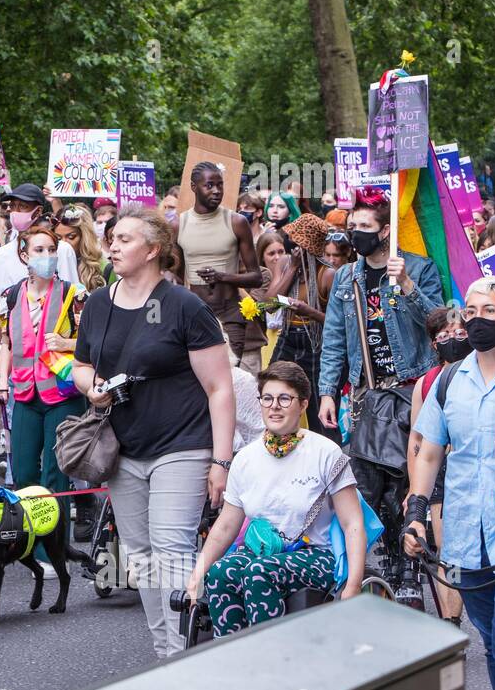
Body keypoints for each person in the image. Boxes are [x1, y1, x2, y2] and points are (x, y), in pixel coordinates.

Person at [72, 204, 235, 657]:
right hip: (123, 448)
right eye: (112, 238)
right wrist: (93, 388)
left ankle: (182, 652)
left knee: (171, 548)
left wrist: (221, 461)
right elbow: (81, 367)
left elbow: (220, 387)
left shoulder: (185, 306)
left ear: (154, 250)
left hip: (182, 445)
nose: (113, 245)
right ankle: (166, 650)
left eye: (125, 239)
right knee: (140, 556)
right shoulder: (99, 303)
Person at [186, 361, 367, 635]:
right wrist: (198, 574)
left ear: (303, 404)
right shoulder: (246, 458)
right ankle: (233, 656)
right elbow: (225, 525)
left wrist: (353, 584)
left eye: (285, 398)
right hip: (263, 550)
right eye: (267, 398)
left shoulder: (325, 453)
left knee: (260, 572)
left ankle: (272, 657)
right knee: (221, 572)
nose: (274, 406)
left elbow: (353, 523)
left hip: (316, 553)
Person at [405, 276, 495, 690]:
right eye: (471, 311)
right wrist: (418, 510)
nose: (477, 321)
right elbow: (428, 451)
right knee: (493, 642)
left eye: (490, 311)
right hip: (468, 538)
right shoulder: (450, 379)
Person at [318, 196, 442, 530]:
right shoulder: (345, 277)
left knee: (407, 473)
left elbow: (438, 323)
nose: (356, 234)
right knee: (366, 476)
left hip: (409, 389)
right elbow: (333, 339)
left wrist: (406, 286)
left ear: (386, 230)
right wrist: (327, 392)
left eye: (365, 227)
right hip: (365, 392)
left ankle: (410, 549)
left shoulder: (418, 268)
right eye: (352, 227)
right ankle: (380, 557)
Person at [0, 226, 84, 497]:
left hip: (62, 391)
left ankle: (56, 540)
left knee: (55, 476)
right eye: (39, 250)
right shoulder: (10, 296)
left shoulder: (74, 294)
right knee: (23, 475)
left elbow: (94, 344)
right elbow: (5, 342)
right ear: (24, 255)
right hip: (24, 393)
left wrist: (67, 344)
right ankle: (31, 539)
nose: (47, 255)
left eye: (52, 250)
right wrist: (1, 382)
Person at [406, 306, 469, 626]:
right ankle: (451, 618)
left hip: (472, 468)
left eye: (460, 334)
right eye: (444, 336)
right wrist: (414, 490)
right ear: (433, 343)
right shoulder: (428, 384)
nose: (453, 341)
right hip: (439, 473)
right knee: (447, 549)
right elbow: (417, 441)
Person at [175, 162, 266, 373]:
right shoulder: (179, 225)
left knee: (230, 375)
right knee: (197, 378)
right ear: (194, 187)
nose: (216, 191)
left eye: (220, 185)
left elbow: (256, 277)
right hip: (194, 315)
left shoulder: (236, 222)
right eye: (209, 185)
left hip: (230, 314)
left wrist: (222, 277)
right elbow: (177, 280)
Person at [264, 213, 332, 435]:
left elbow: (336, 323)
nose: (290, 245)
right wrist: (292, 269)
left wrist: (308, 311)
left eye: (296, 241)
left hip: (315, 342)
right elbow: (269, 304)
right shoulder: (285, 264)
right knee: (273, 384)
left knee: (314, 406)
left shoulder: (327, 274)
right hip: (288, 336)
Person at [0, 184, 78, 310]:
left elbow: (71, 297)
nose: (15, 212)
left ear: (38, 211)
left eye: (22, 206)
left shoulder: (62, 250)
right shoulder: (1, 255)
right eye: (13, 206)